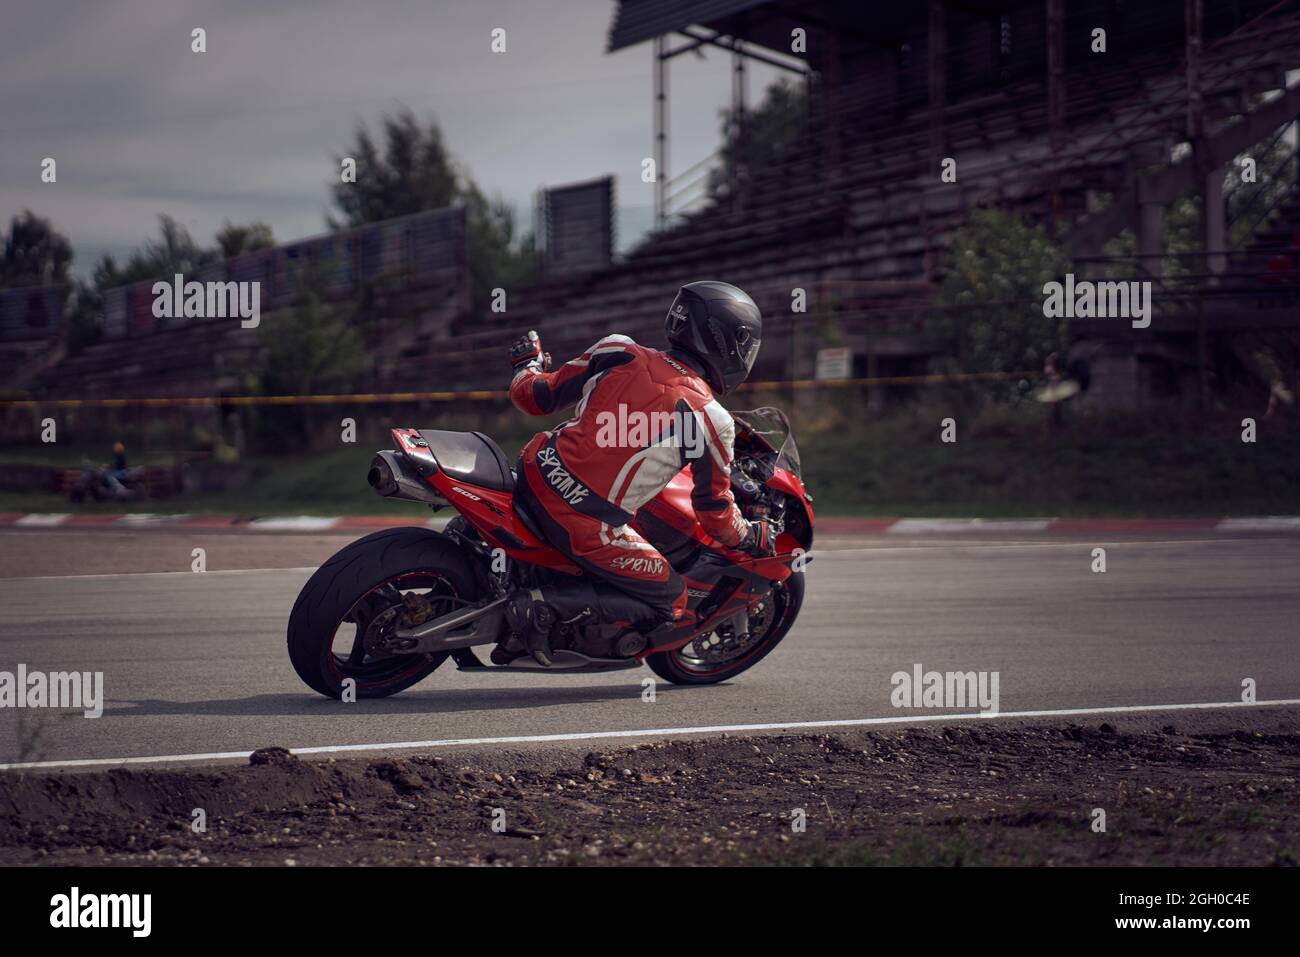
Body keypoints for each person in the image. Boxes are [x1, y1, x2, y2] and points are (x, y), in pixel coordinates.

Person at [503, 280, 773, 665]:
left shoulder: (617, 349)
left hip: (532, 471)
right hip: (582, 525)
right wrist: (751, 535)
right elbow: (714, 513)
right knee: (671, 600)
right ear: (734, 342)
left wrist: (526, 366)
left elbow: (534, 397)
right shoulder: (712, 419)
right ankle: (541, 606)